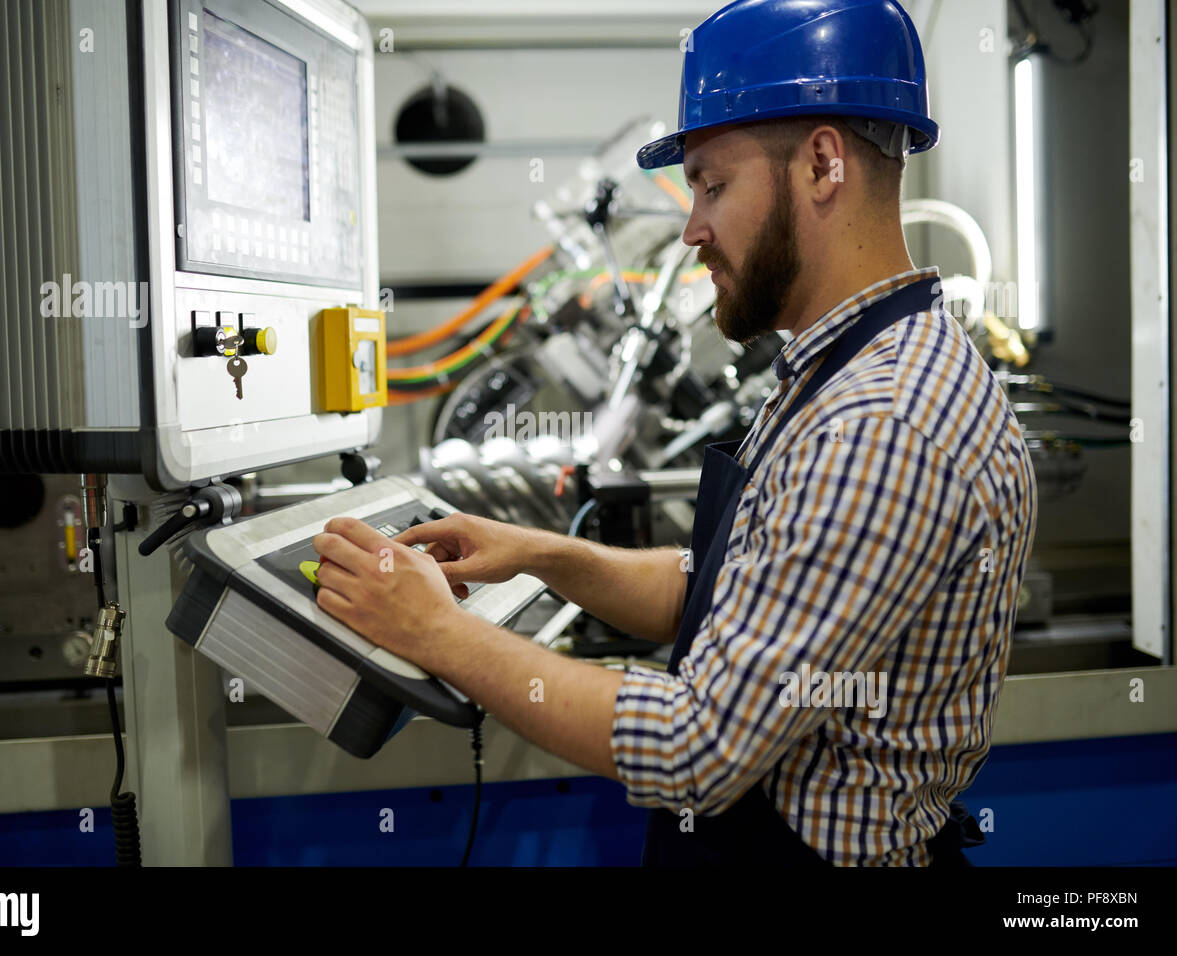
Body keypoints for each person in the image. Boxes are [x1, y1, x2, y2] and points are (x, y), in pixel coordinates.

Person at [312, 0, 1038, 866]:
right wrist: (545, 555)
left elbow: (697, 747)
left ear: (822, 164)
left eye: (711, 184)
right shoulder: (840, 372)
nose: (692, 227)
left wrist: (439, 633)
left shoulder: (880, 421)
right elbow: (735, 585)